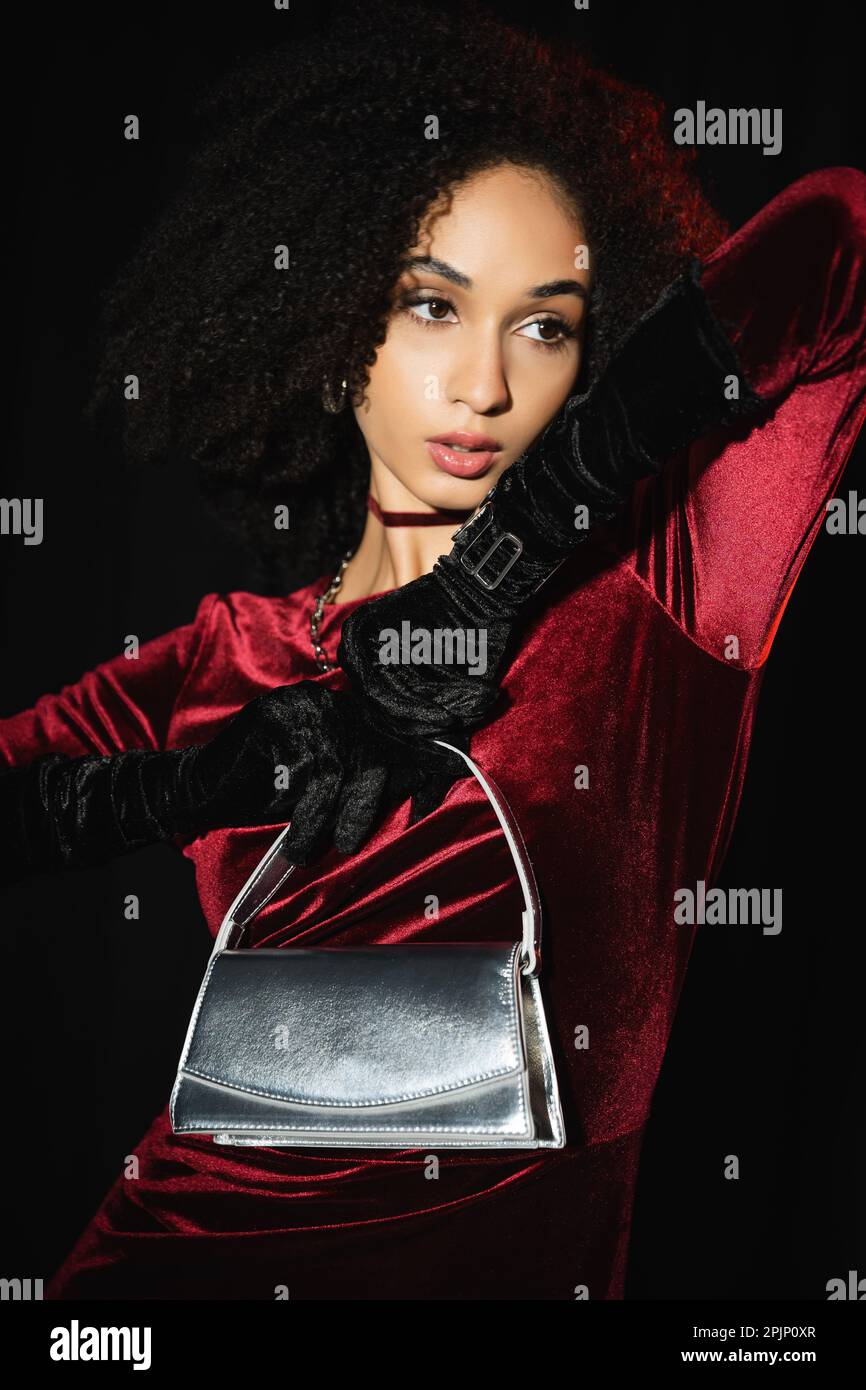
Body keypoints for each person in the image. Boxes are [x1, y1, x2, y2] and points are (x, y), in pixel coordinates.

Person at [2, 1, 864, 1299]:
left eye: (546, 323)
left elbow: (844, 228)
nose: (482, 385)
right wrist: (205, 779)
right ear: (336, 327)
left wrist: (496, 568)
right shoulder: (226, 654)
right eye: (429, 305)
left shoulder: (669, 581)